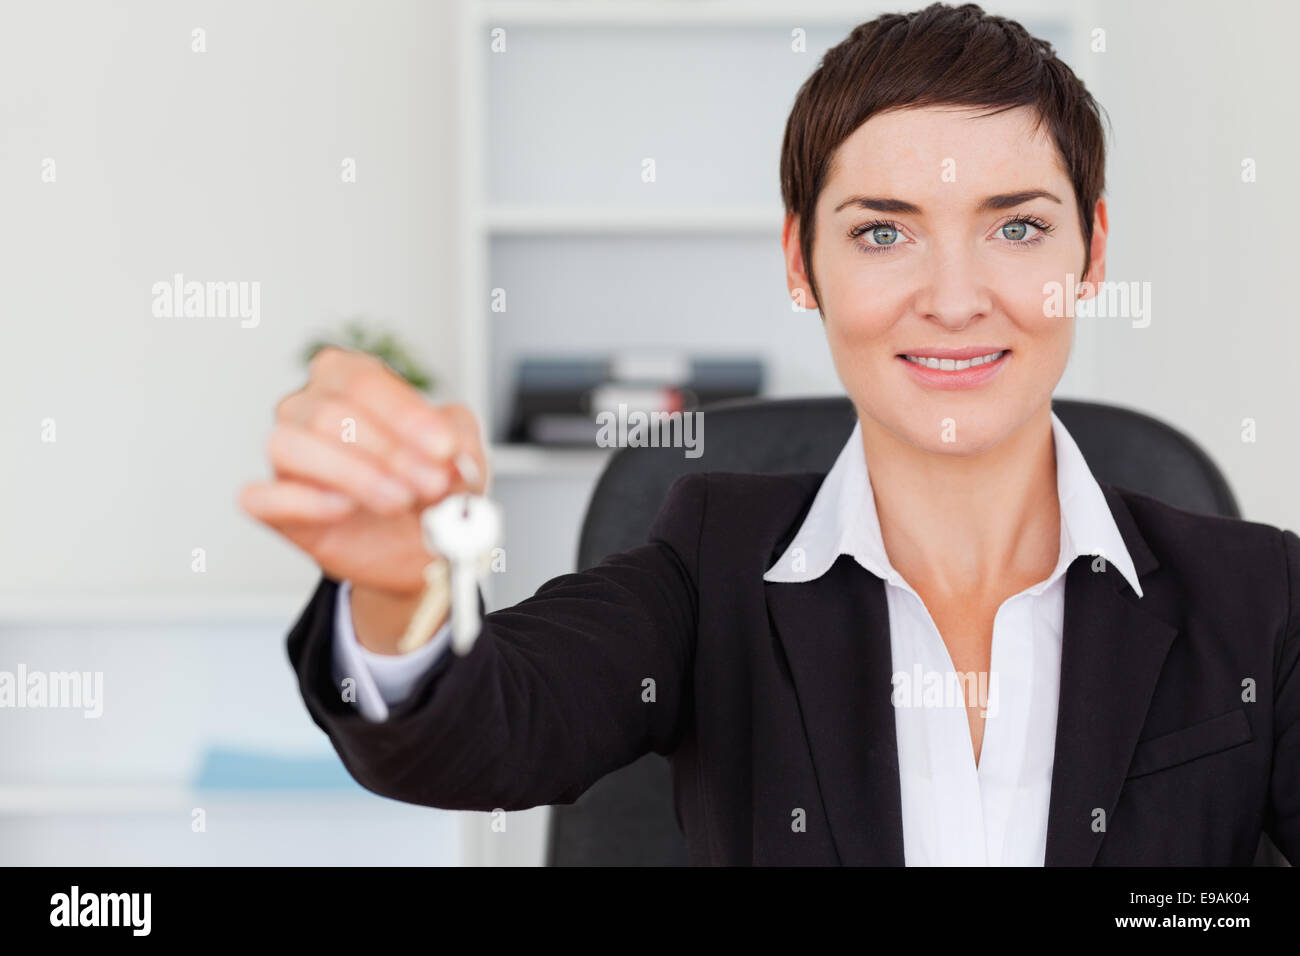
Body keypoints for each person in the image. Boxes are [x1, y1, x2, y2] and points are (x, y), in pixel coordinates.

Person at [240, 2, 1299, 865]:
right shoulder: (709, 564)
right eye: (882, 231)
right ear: (800, 262)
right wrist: (395, 588)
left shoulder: (1260, 596)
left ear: (1092, 251)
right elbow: (483, 731)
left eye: (1015, 226)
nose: (954, 296)